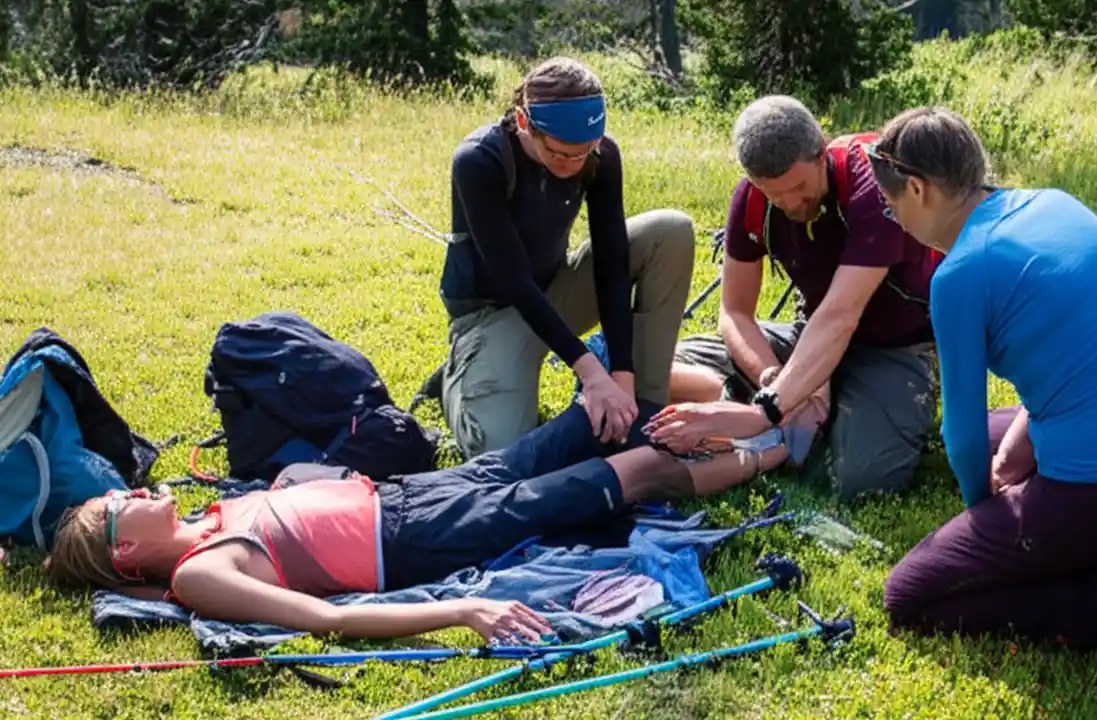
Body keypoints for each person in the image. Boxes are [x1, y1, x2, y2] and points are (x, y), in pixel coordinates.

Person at [868, 106, 1097, 682]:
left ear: (918, 189)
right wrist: (1014, 449)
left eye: (893, 207)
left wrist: (988, 521)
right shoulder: (1055, 203)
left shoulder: (959, 275)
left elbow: (958, 439)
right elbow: (1081, 351)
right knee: (996, 431)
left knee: (911, 594)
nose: (895, 220)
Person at [43, 402, 788, 643]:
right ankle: (776, 447)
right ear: (130, 549)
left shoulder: (210, 516)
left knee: (593, 419)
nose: (131, 494)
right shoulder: (200, 574)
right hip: (420, 541)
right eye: (118, 509)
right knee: (634, 474)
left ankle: (741, 410)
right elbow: (322, 617)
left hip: (417, 491)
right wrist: (463, 607)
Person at [658, 95, 939, 499]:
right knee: (655, 367)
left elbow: (841, 316)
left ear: (822, 152)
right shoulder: (751, 199)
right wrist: (774, 378)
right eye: (774, 194)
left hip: (894, 346)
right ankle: (789, 418)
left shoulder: (875, 185)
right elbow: (735, 313)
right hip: (809, 333)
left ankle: (766, 427)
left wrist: (769, 407)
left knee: (862, 482)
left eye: (801, 188)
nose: (790, 204)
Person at [439, 56, 695, 458]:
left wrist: (622, 378)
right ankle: (460, 374)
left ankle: (644, 412)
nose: (573, 164)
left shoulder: (599, 157)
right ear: (525, 123)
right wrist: (591, 372)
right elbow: (514, 280)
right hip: (495, 314)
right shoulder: (479, 161)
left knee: (671, 231)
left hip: (555, 289)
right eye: (559, 154)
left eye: (584, 153)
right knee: (502, 453)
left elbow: (612, 263)